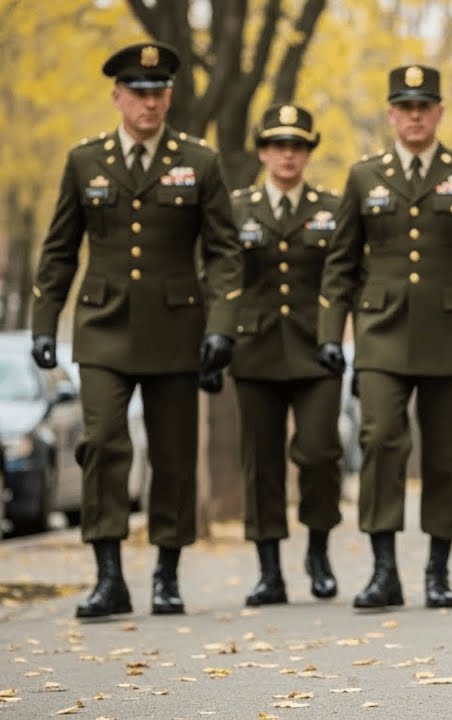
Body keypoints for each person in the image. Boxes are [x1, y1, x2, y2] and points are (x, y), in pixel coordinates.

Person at [30, 42, 242, 618]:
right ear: (117, 96)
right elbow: (59, 250)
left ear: (169, 96)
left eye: (159, 92)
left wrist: (222, 326)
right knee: (102, 442)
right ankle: (109, 577)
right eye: (139, 92)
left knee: (172, 456)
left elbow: (224, 253)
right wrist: (44, 322)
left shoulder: (199, 162)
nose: (150, 103)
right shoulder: (85, 161)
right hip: (104, 327)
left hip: (177, 329)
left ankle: (167, 575)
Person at [316, 64, 452, 610]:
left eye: (423, 107)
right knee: (380, 441)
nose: (414, 117)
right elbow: (340, 263)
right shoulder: (364, 177)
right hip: (380, 334)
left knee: (446, 454)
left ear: (438, 112)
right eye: (405, 108)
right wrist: (331, 333)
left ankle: (438, 570)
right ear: (391, 114)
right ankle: (383, 570)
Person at [217, 104, 343, 606]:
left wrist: (339, 334)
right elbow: (221, 275)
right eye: (277, 145)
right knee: (261, 461)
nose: (287, 155)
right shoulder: (237, 208)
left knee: (319, 453)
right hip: (256, 349)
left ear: (308, 153)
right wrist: (218, 337)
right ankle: (268, 570)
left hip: (318, 350)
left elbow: (344, 276)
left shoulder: (332, 208)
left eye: (297, 146)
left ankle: (318, 550)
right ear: (262, 152)